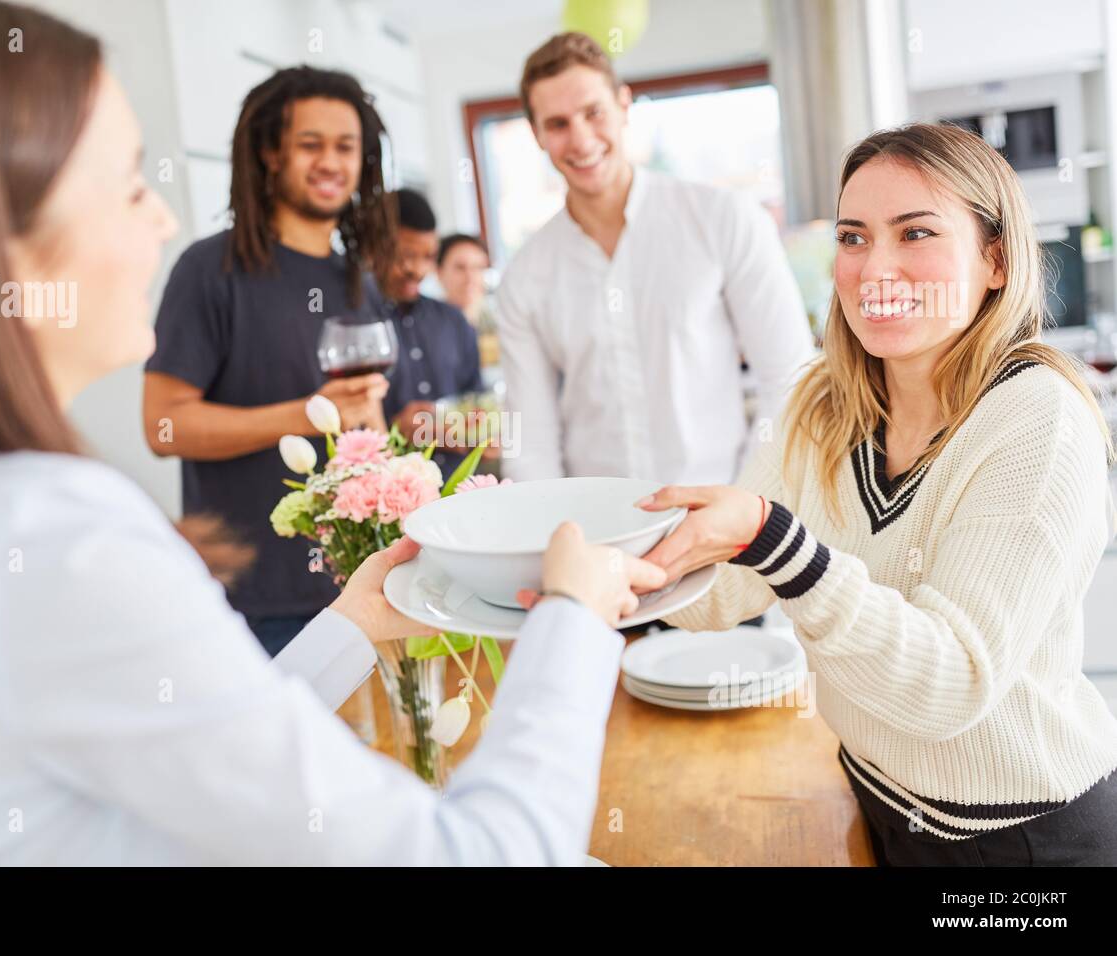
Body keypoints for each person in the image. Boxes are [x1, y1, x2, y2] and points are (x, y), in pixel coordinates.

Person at [0, 0, 667, 867]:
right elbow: (482, 855)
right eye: (128, 184)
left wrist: (351, 622)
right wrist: (575, 614)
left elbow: (186, 755)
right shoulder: (39, 535)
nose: (157, 219)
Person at [536, 123, 1117, 865]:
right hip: (876, 800)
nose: (875, 267)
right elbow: (725, 589)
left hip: (1021, 840)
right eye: (853, 237)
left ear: (996, 259)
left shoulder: (1038, 418)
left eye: (915, 234)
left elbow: (951, 684)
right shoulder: (827, 401)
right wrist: (578, 573)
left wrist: (780, 545)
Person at [142, 65, 392, 656]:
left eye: (345, 146)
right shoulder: (210, 270)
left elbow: (368, 425)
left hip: (359, 591)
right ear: (270, 154)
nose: (331, 162)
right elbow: (162, 425)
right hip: (252, 604)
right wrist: (307, 415)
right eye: (311, 144)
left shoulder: (359, 281)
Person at [498, 32, 814, 486]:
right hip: (595, 534)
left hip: (726, 522)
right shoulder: (525, 277)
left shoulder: (724, 219)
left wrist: (744, 507)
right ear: (537, 134)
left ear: (624, 105)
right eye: (558, 123)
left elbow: (789, 382)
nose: (582, 139)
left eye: (593, 112)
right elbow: (531, 441)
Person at [377, 190, 487, 468]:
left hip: (457, 485)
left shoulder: (454, 322)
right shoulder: (356, 322)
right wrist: (394, 428)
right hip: (383, 492)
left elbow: (475, 400)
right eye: (405, 255)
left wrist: (481, 430)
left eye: (428, 257)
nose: (418, 269)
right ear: (374, 244)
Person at [437, 233, 503, 387]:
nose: (470, 277)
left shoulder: (504, 320)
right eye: (460, 268)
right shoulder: (427, 330)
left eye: (478, 268)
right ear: (439, 272)